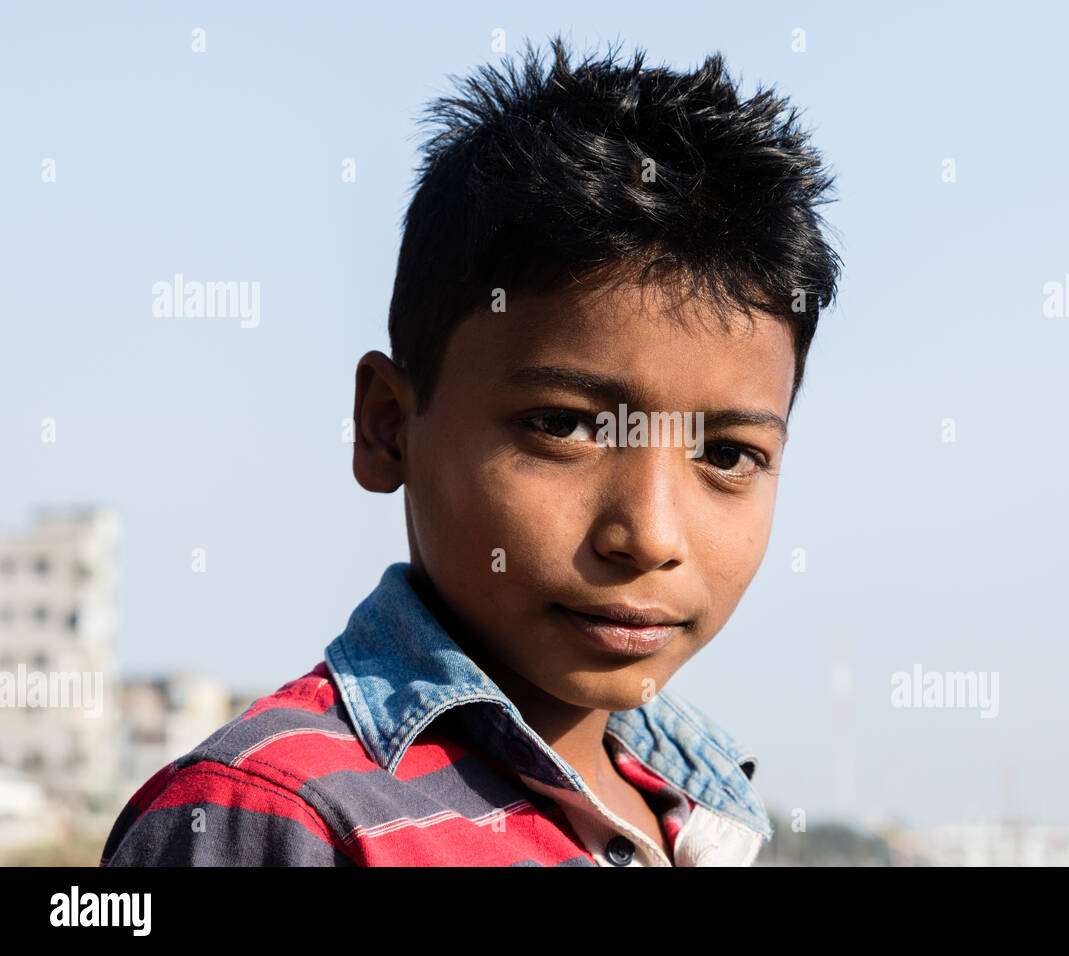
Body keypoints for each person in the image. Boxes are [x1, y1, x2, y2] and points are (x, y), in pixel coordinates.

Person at [101, 33, 841, 867]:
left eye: (728, 454)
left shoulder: (701, 810)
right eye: (564, 426)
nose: (651, 535)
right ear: (386, 426)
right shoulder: (276, 818)